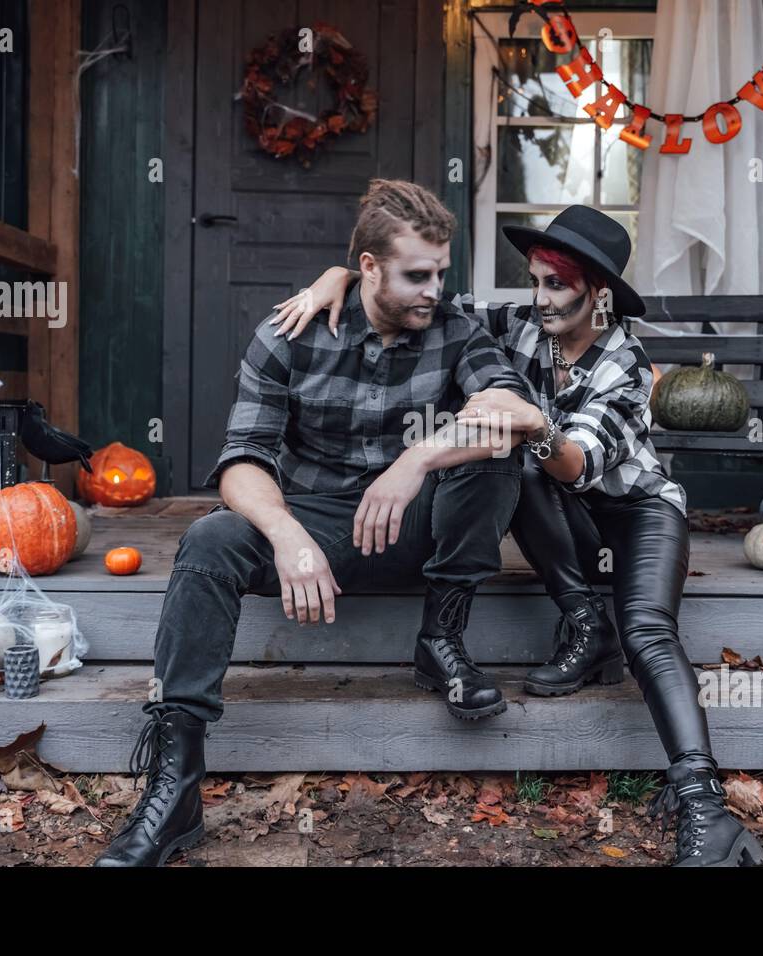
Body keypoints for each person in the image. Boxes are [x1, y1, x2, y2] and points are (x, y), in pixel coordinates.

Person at [274, 205, 763, 867]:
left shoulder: (626, 365)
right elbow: (418, 291)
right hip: (554, 510)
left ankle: (703, 805)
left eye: (555, 285)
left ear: (597, 294)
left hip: (637, 510)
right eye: (534, 280)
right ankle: (586, 622)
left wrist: (532, 420)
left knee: (648, 627)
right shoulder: (522, 324)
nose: (539, 298)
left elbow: (580, 464)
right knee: (516, 459)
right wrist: (338, 275)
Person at [95, 180, 535, 867]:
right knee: (211, 539)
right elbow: (240, 462)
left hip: (416, 529)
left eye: (442, 273)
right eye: (417, 275)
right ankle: (175, 784)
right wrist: (288, 535)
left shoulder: (454, 330)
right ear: (367, 269)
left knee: (493, 458)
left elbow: (522, 414)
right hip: (320, 531)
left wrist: (420, 457)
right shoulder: (289, 335)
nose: (434, 288)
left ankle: (441, 641)